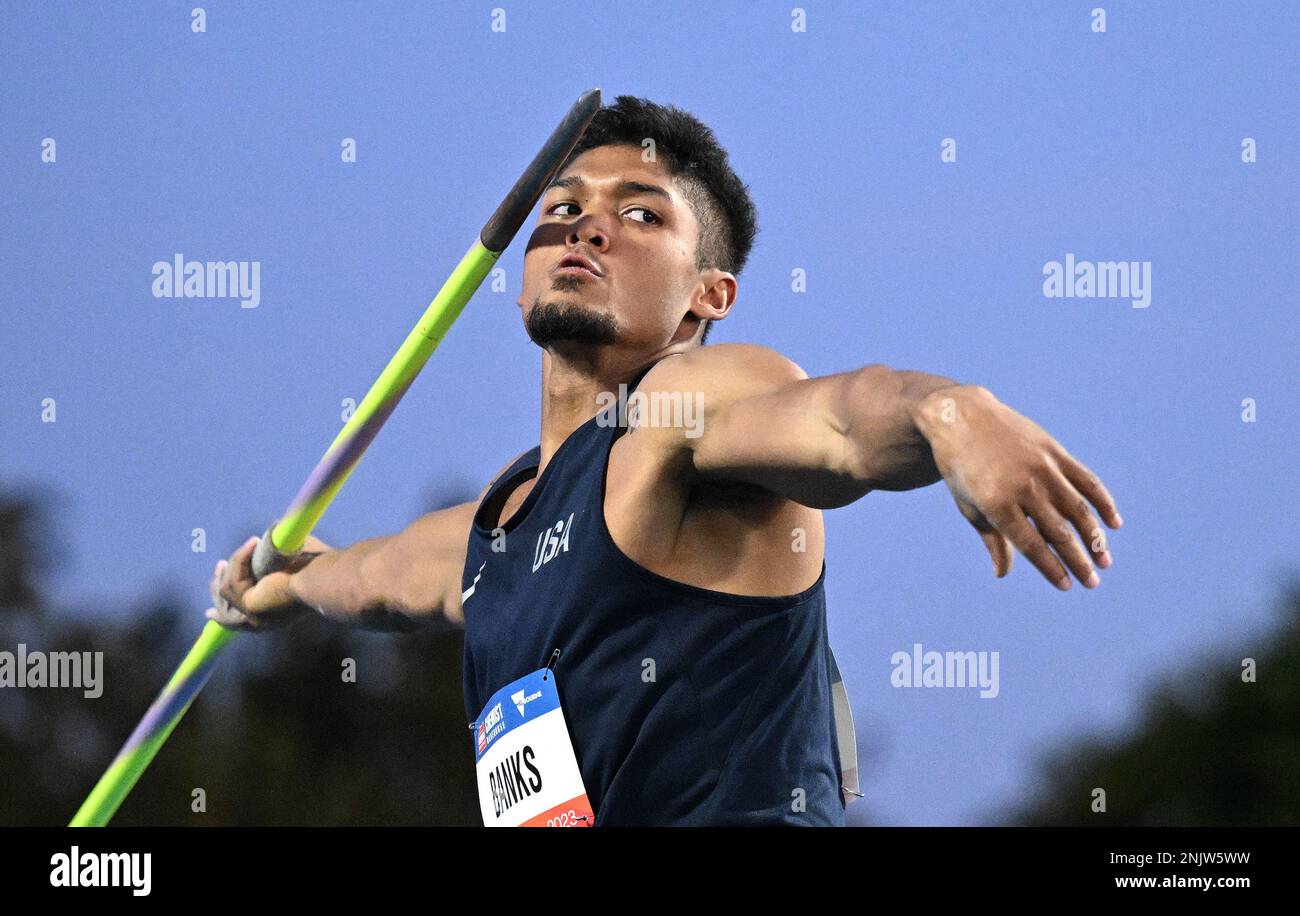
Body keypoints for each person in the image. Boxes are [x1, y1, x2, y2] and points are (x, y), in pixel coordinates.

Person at [207, 96, 1122, 826]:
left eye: (639, 214)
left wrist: (947, 410)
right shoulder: (491, 529)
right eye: (563, 208)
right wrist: (280, 588)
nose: (587, 227)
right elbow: (372, 580)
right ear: (519, 277)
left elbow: (840, 424)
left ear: (707, 297)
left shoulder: (680, 413)